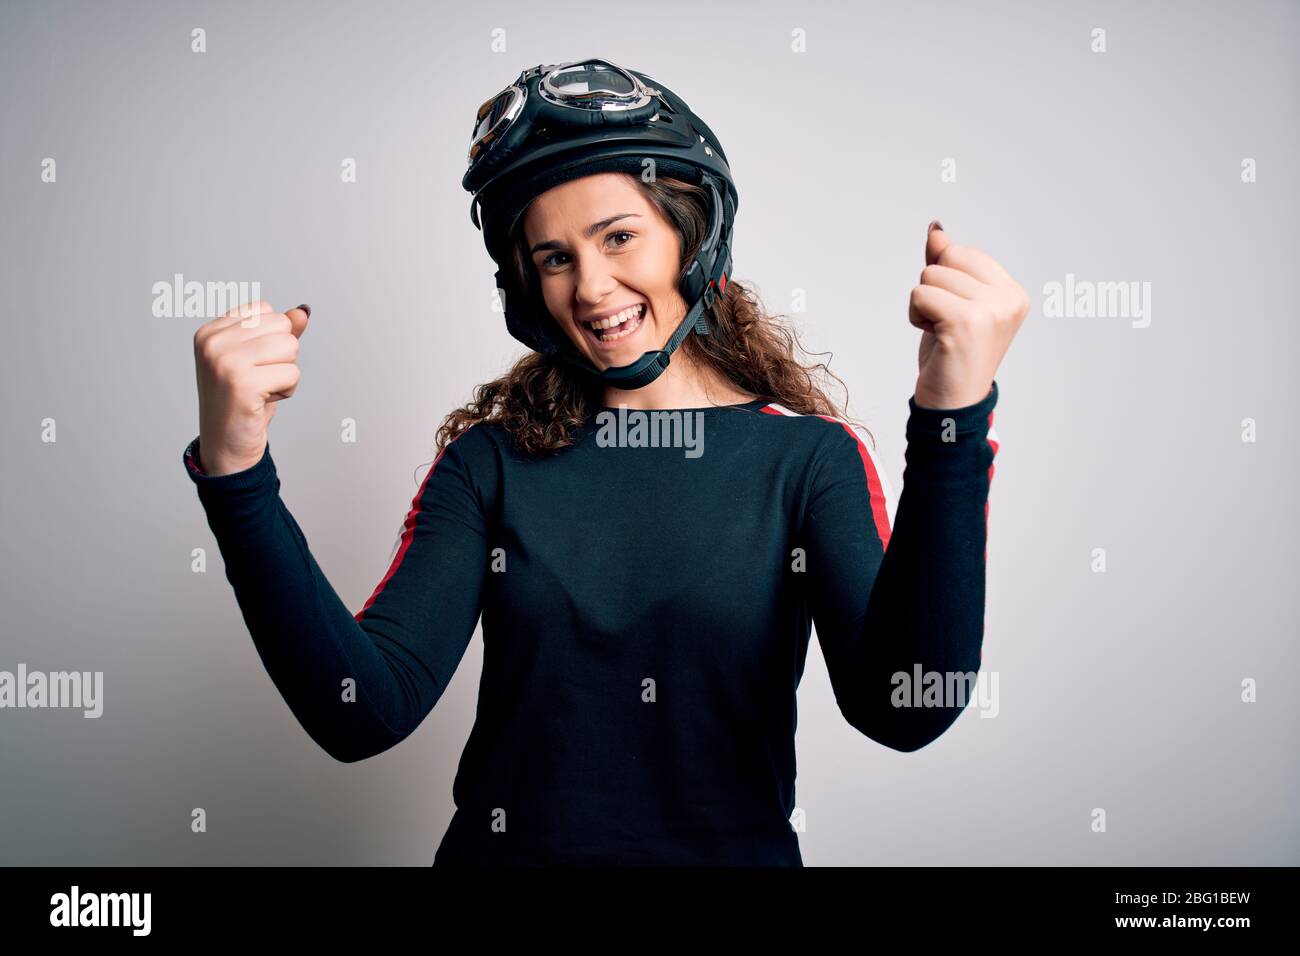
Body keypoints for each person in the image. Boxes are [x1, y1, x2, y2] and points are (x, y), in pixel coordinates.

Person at [183, 58, 1029, 866]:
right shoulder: (489, 466)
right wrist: (236, 472)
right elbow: (361, 712)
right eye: (555, 257)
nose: (589, 287)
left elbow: (904, 706)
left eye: (619, 236)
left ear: (691, 233)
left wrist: (951, 413)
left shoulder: (807, 462)